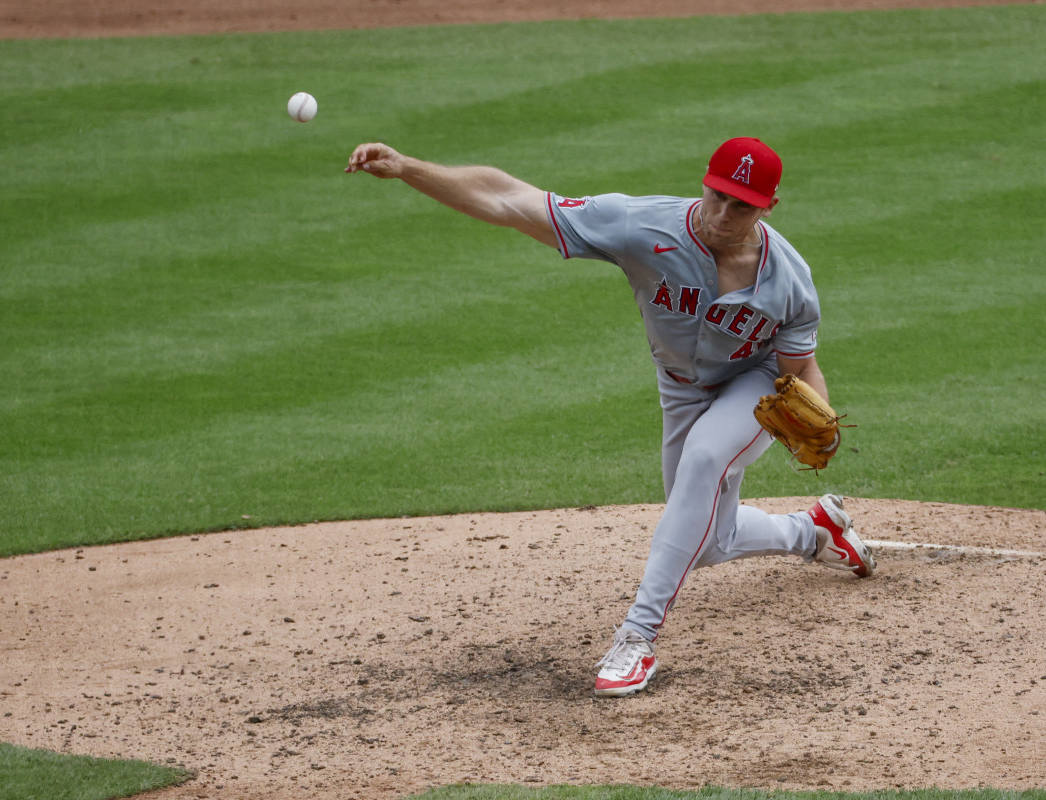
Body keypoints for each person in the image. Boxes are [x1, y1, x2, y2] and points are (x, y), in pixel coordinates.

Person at [345, 137, 876, 697]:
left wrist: (824, 421)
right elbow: (508, 198)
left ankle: (636, 638)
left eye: (741, 205)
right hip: (680, 388)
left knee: (704, 459)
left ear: (769, 205)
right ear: (704, 181)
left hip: (754, 385)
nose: (723, 214)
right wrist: (408, 168)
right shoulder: (640, 224)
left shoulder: (788, 278)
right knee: (706, 537)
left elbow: (800, 368)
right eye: (717, 195)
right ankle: (811, 530)